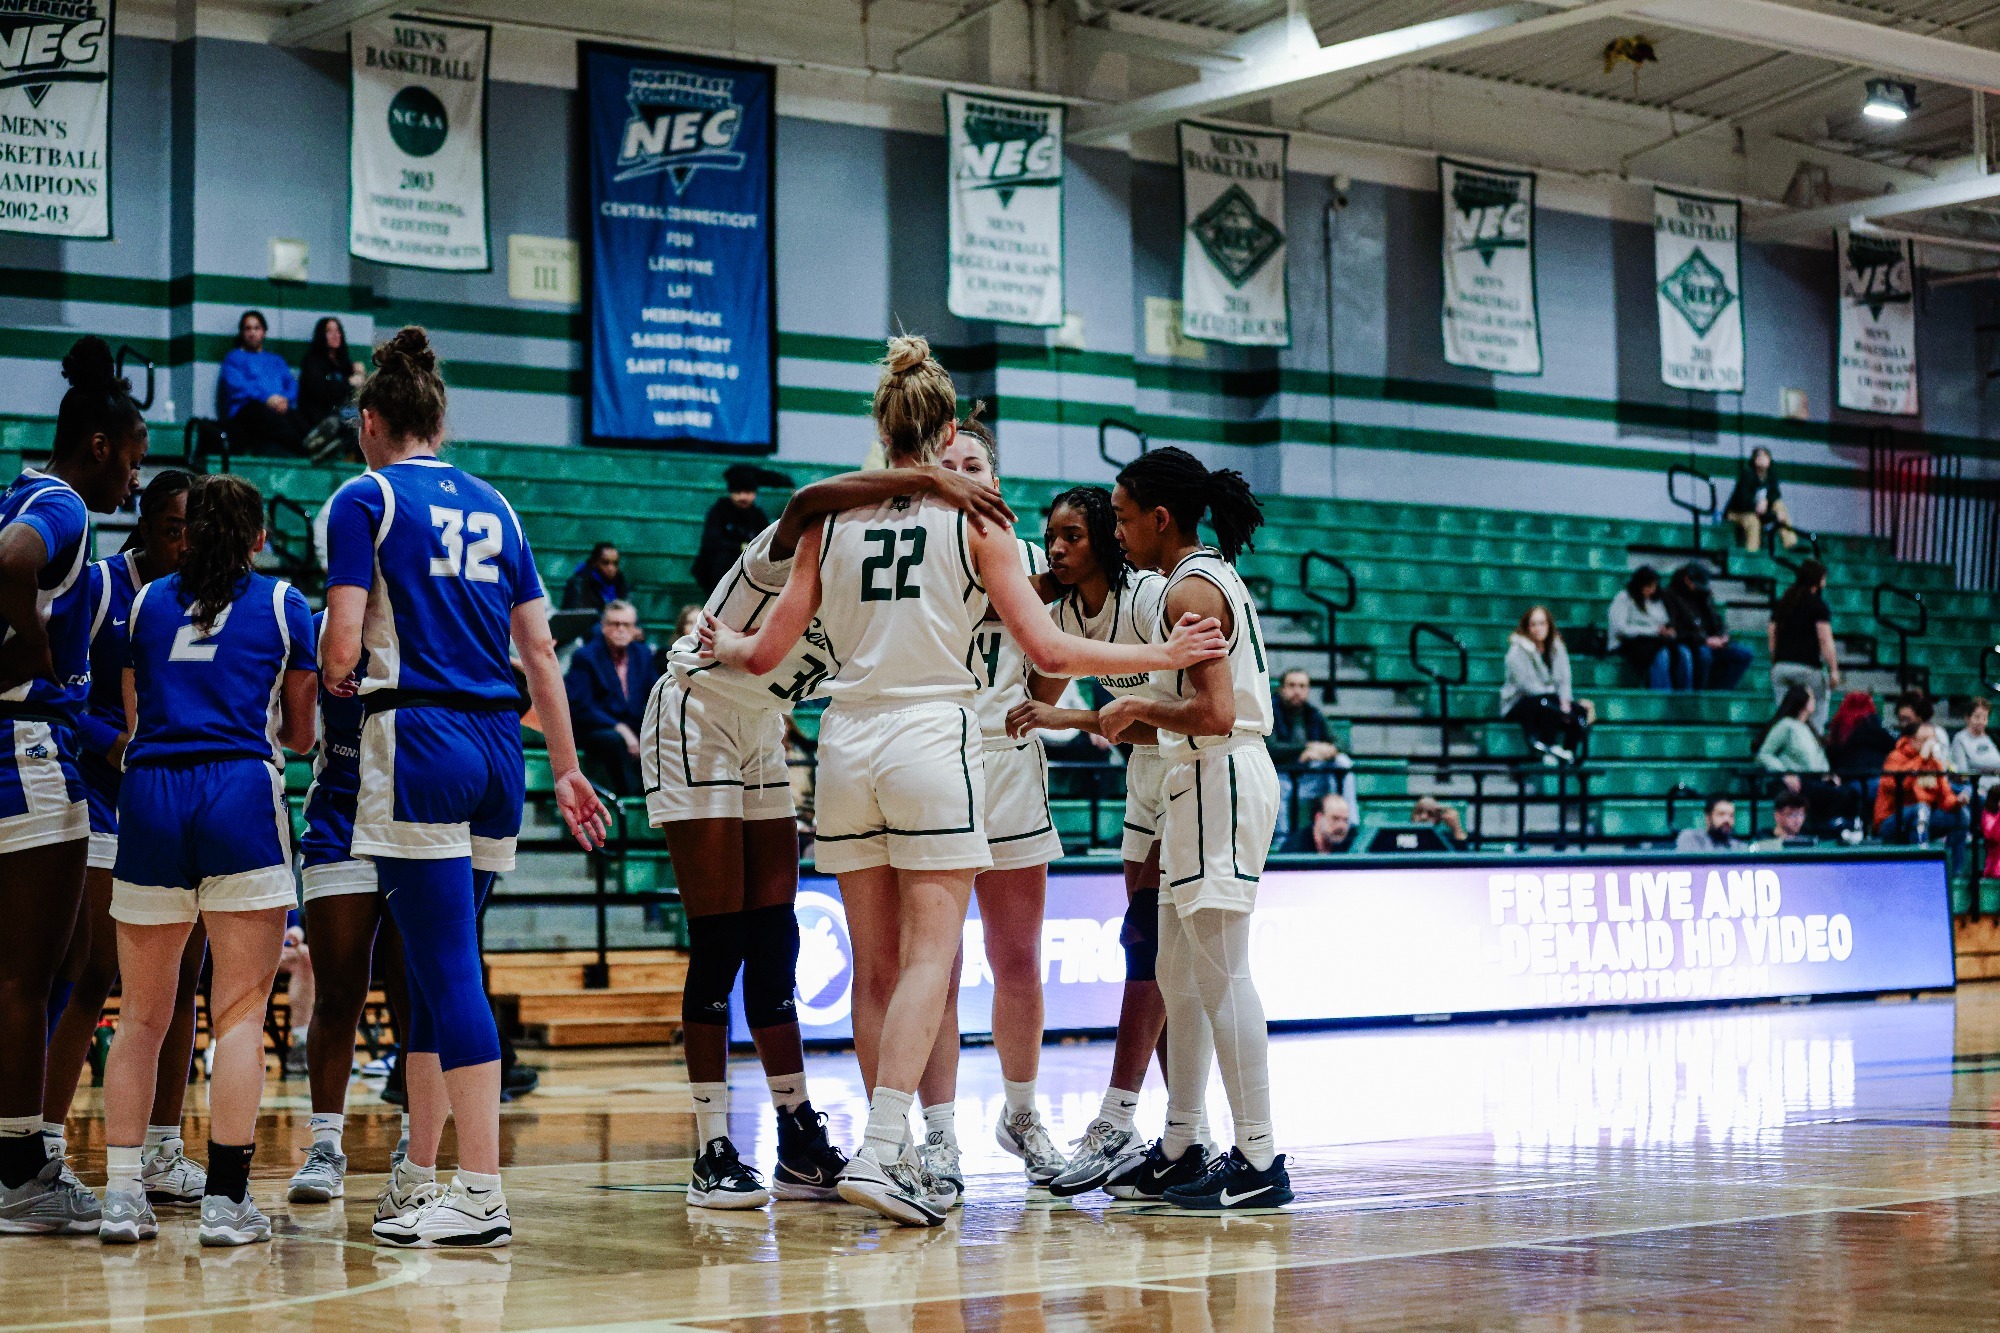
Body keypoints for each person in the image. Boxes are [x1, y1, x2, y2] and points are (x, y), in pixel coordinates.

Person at [700, 337, 1224, 1227]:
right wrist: (1161, 654)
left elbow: (771, 645)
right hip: (930, 736)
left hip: (844, 742)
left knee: (880, 965)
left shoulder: (832, 521)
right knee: (932, 964)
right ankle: (884, 1147)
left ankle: (898, 1147)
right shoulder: (975, 522)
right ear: (946, 433)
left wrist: (727, 650)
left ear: (880, 426)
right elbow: (1052, 652)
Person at [638, 439, 1010, 1212]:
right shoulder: (821, 523)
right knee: (719, 940)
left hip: (760, 722)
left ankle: (798, 1128)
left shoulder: (921, 549)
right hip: (694, 710)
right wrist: (927, 475)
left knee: (776, 940)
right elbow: (807, 495)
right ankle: (711, 1142)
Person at [319, 327, 608, 1248]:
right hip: (496, 749)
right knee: (445, 966)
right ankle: (421, 1167)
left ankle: (480, 1191)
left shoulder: (363, 497)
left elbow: (340, 641)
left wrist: (335, 678)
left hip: (419, 737)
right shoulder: (498, 506)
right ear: (438, 418)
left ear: (372, 422)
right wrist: (565, 765)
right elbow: (540, 655)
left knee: (444, 972)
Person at [96, 474, 319, 1247]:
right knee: (238, 1015)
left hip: (152, 796)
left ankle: (122, 1197)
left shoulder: (148, 600)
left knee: (142, 1018)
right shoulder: (288, 603)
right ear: (258, 536)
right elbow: (298, 735)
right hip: (237, 795)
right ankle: (227, 1204)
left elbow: (133, 714)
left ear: (187, 532)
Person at [1088, 445, 1289, 1212]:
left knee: (1222, 970)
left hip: (1222, 773)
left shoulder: (1191, 590)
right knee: (1177, 969)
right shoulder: (1192, 578)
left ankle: (1261, 1155)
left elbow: (1214, 712)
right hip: (1197, 778)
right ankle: (1179, 1144)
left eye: (1124, 515)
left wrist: (1138, 706)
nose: (1119, 529)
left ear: (1160, 518)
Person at [0, 337, 146, 1235]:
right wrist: (38, 645)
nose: (133, 482)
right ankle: (21, 1171)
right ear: (99, 445)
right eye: (131, 461)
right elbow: (14, 561)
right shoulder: (58, 504)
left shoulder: (17, 483)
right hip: (26, 747)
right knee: (30, 973)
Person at [1004, 485, 1186, 1202]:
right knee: (1154, 958)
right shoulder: (1065, 610)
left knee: (1147, 942)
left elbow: (1181, 717)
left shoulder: (1147, 598)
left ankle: (1115, 1119)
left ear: (1106, 535)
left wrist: (1073, 718)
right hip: (1144, 777)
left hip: (1187, 765)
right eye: (1050, 535)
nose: (1056, 547)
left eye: (1073, 535)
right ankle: (1185, 1134)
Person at [42, 471, 210, 1217]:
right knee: (92, 970)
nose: (186, 542)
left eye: (196, 529)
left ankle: (164, 1149)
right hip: (105, 799)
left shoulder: (208, 599)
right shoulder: (107, 586)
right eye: (175, 527)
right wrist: (117, 746)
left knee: (184, 979)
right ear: (145, 524)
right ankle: (43, 1142)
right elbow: (59, 692)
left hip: (180, 807)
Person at [913, 414, 1070, 1199]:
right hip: (933, 760)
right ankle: (939, 1135)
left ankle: (1021, 1114)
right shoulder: (913, 558)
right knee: (935, 967)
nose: (964, 472)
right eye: (949, 463)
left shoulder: (1037, 561)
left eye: (975, 461)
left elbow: (1050, 676)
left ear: (996, 480)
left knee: (1017, 961)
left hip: (1009, 766)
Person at [284, 618, 414, 1209]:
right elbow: (298, 736)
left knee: (417, 993)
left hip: (417, 819)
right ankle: (326, 1145)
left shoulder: (429, 622)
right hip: (340, 817)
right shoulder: (318, 631)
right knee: (338, 992)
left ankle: (417, 1150)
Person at [565, 600, 659, 796]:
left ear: (635, 630)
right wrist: (620, 728)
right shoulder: (586, 656)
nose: (621, 630)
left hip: (634, 725)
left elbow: (656, 696)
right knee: (615, 741)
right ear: (603, 627)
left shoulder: (642, 655)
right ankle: (632, 802)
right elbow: (582, 707)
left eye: (627, 625)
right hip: (598, 729)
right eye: (615, 624)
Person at [1754, 684, 1858, 836]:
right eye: (1812, 697)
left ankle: (1838, 827)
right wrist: (1785, 773)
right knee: (1842, 795)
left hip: (1814, 779)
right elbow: (1764, 754)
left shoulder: (1809, 728)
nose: (1814, 700)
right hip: (1796, 780)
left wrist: (1827, 775)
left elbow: (1818, 758)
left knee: (1848, 792)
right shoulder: (1785, 725)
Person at [1875, 721, 1969, 880]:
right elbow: (1898, 785)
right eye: (1925, 739)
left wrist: (1957, 802)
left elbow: (1945, 795)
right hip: (1891, 820)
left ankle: (1953, 874)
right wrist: (1920, 759)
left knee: (1961, 816)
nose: (1930, 744)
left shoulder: (1934, 763)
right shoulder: (1895, 757)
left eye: (1932, 739)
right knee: (1921, 809)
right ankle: (1921, 870)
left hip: (1923, 819)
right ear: (1911, 741)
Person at [1266, 667, 1356, 832]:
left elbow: (1342, 745)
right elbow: (1271, 749)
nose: (1297, 691)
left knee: (1342, 763)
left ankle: (1348, 826)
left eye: (1302, 686)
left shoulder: (1312, 713)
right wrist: (1306, 748)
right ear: (1281, 689)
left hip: (1309, 777)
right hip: (1280, 775)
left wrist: (1327, 751)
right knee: (1277, 784)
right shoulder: (1269, 711)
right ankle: (1281, 840)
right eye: (1291, 686)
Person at [1499, 606, 1591, 763]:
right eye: (1533, 624)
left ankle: (1569, 752)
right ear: (1527, 628)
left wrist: (1565, 701)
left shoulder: (1557, 647)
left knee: (1579, 711)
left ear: (1549, 625)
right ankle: (1548, 747)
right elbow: (1527, 686)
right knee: (1546, 703)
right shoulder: (1516, 651)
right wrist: (1557, 700)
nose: (1538, 629)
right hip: (1519, 702)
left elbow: (1564, 679)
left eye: (1542, 624)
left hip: (1550, 699)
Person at [216, 311, 306, 456]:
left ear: (264, 331)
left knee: (297, 420)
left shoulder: (276, 360)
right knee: (271, 419)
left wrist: (284, 399)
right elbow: (238, 387)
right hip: (248, 409)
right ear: (242, 332)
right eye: (248, 328)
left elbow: (291, 385)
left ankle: (315, 442)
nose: (252, 333)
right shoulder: (233, 358)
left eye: (256, 328)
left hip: (279, 408)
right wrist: (267, 399)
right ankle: (306, 448)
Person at [1767, 560, 1838, 731]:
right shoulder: (1818, 605)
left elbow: (1771, 633)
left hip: (1782, 667)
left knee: (1784, 717)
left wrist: (1775, 661)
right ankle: (1813, 746)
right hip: (1807, 668)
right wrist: (1833, 669)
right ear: (1819, 580)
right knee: (1816, 715)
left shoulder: (1783, 602)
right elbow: (1824, 639)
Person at [692, 464, 780, 594]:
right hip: (719, 570)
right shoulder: (718, 511)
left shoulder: (757, 515)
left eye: (748, 492)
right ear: (731, 493)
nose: (743, 497)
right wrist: (739, 547)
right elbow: (711, 541)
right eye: (738, 492)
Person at [1664, 564, 1752, 691]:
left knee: (1744, 654)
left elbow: (1716, 619)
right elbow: (1676, 630)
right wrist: (1705, 640)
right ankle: (1700, 696)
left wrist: (1722, 635)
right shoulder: (1670, 595)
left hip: (1712, 641)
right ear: (1687, 579)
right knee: (1704, 655)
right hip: (1692, 643)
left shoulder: (1704, 595)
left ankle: (1719, 693)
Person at [1606, 565, 1687, 691]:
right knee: (1661, 655)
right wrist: (1653, 631)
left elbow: (1663, 621)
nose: (1652, 590)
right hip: (1627, 644)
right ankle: (1662, 694)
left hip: (1653, 642)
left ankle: (1683, 695)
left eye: (1654, 586)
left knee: (1683, 653)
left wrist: (1666, 631)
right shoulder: (1624, 598)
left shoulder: (1655, 600)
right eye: (1649, 586)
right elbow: (1620, 628)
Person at [297, 317, 364, 459]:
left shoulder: (345, 365)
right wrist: (348, 383)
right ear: (321, 335)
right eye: (329, 331)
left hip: (345, 416)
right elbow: (320, 392)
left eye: (338, 330)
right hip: (320, 417)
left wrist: (359, 374)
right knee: (338, 423)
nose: (335, 335)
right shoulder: (312, 362)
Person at [1724, 447, 1797, 552]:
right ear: (1754, 459)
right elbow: (1742, 502)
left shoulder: (1771, 476)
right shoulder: (1748, 475)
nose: (1762, 459)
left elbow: (1775, 496)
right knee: (1753, 521)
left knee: (1779, 505)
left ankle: (1790, 543)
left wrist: (1772, 510)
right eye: (1759, 456)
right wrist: (1756, 506)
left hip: (1760, 513)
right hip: (1737, 513)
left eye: (1765, 456)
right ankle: (1752, 555)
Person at [275, 916, 315, 1075]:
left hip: (273, 947)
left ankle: (301, 1042)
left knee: (306, 956)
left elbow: (293, 924)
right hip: (238, 942)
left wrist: (295, 933)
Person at [560, 542, 630, 613]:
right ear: (594, 563)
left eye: (615, 563)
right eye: (605, 563)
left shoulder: (620, 583)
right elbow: (577, 616)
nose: (611, 568)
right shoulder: (580, 584)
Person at [1951, 698, 2000, 794]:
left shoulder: (1990, 738)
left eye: (1985, 718)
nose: (1981, 722)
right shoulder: (1960, 739)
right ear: (1967, 718)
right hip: (1978, 789)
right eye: (1977, 717)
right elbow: (1963, 773)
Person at [1283, 793, 1356, 854]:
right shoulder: (1295, 849)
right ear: (1318, 818)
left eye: (1345, 820)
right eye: (1335, 819)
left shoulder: (1350, 845)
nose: (1341, 826)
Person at [1676, 796, 1741, 851]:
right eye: (1721, 814)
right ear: (1708, 817)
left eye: (1731, 815)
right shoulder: (1691, 838)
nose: (1727, 820)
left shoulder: (1738, 847)